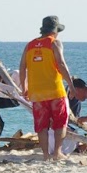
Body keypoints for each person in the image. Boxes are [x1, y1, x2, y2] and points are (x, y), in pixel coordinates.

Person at [19, 15, 74, 161]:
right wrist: (71, 85)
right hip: (55, 90)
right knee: (60, 122)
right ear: (55, 31)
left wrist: (24, 87)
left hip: (37, 92)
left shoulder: (29, 45)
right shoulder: (54, 43)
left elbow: (22, 67)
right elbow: (61, 64)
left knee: (41, 125)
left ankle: (45, 154)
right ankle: (57, 152)